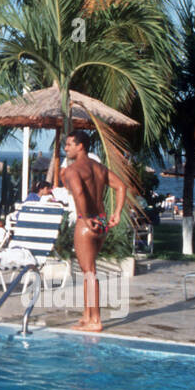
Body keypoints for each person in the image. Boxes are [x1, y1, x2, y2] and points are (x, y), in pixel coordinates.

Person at [61, 130, 130, 333]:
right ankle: (87, 315)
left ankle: (96, 320)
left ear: (80, 146)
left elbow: (80, 193)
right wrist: (116, 213)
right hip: (101, 223)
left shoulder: (73, 170)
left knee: (89, 272)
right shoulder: (100, 168)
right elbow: (121, 187)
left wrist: (84, 217)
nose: (66, 148)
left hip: (87, 223)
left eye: (68, 145)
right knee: (87, 270)